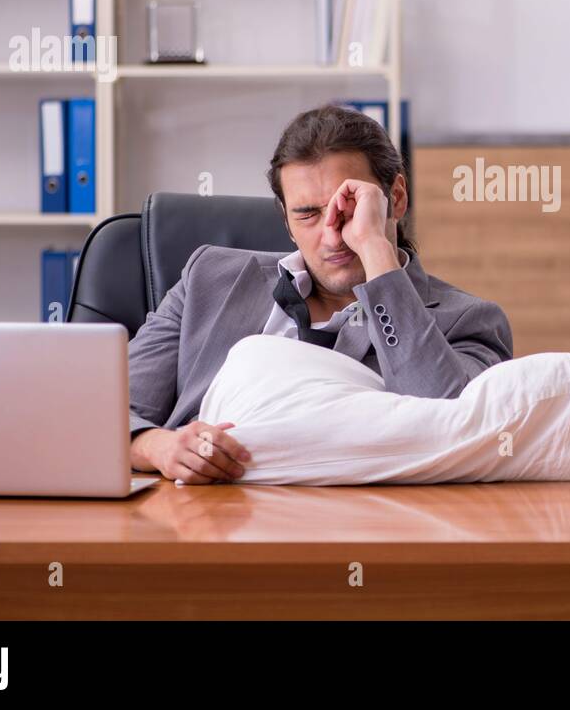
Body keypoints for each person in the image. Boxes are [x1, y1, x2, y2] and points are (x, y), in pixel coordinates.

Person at [127, 104, 513, 484]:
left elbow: (453, 433)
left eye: (348, 208)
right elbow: (103, 413)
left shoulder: (468, 320)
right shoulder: (208, 278)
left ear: (395, 198)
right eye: (307, 214)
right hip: (203, 519)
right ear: (285, 218)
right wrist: (156, 446)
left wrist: (376, 250)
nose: (332, 236)